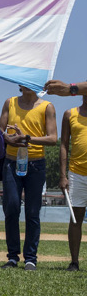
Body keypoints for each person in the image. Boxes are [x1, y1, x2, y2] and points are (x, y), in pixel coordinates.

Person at [0, 86, 56, 270]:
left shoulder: (47, 107)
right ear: (19, 85)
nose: (28, 84)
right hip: (11, 162)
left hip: (36, 164)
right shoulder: (10, 102)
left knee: (32, 212)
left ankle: (30, 257)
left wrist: (28, 138)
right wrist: (8, 139)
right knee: (12, 208)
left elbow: (53, 138)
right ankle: (12, 256)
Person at [59, 94, 87, 271]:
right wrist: (63, 175)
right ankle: (74, 262)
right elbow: (63, 144)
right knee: (75, 218)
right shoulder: (70, 114)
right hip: (76, 173)